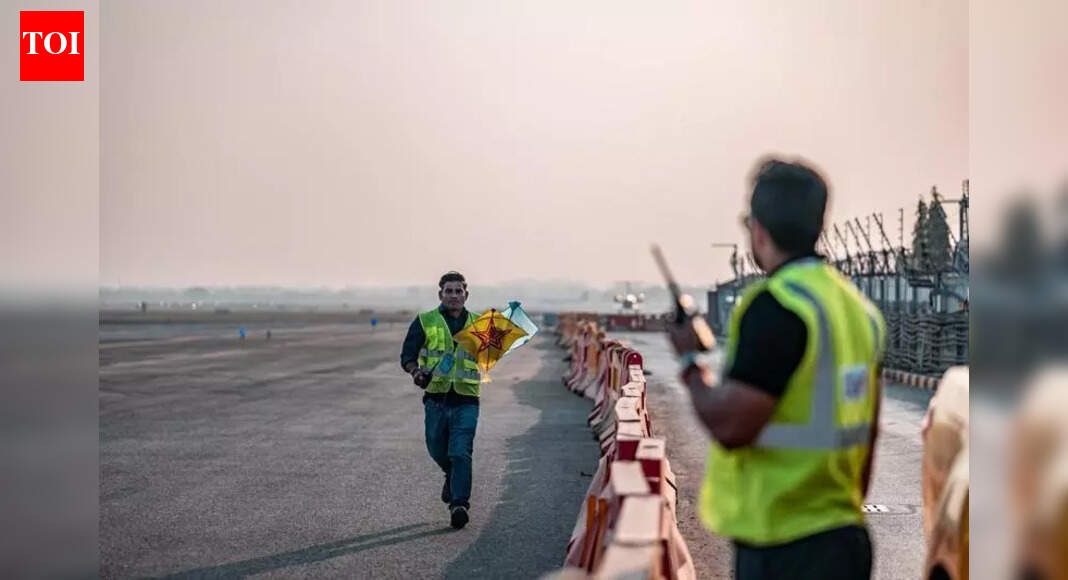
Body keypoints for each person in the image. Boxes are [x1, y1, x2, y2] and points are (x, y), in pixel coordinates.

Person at [667, 158, 885, 580]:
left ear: (759, 229)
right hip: (845, 539)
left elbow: (732, 425)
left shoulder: (777, 306)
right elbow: (869, 433)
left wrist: (690, 362)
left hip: (782, 546)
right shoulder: (860, 311)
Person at [400, 271, 483, 529]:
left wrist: (505, 334)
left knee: (460, 452)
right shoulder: (426, 321)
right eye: (449, 291)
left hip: (467, 399)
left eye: (459, 291)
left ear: (466, 295)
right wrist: (416, 372)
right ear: (440, 294)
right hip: (435, 397)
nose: (454, 296)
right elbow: (407, 355)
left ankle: (459, 504)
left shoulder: (480, 324)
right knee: (437, 449)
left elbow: (492, 354)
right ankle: (450, 475)